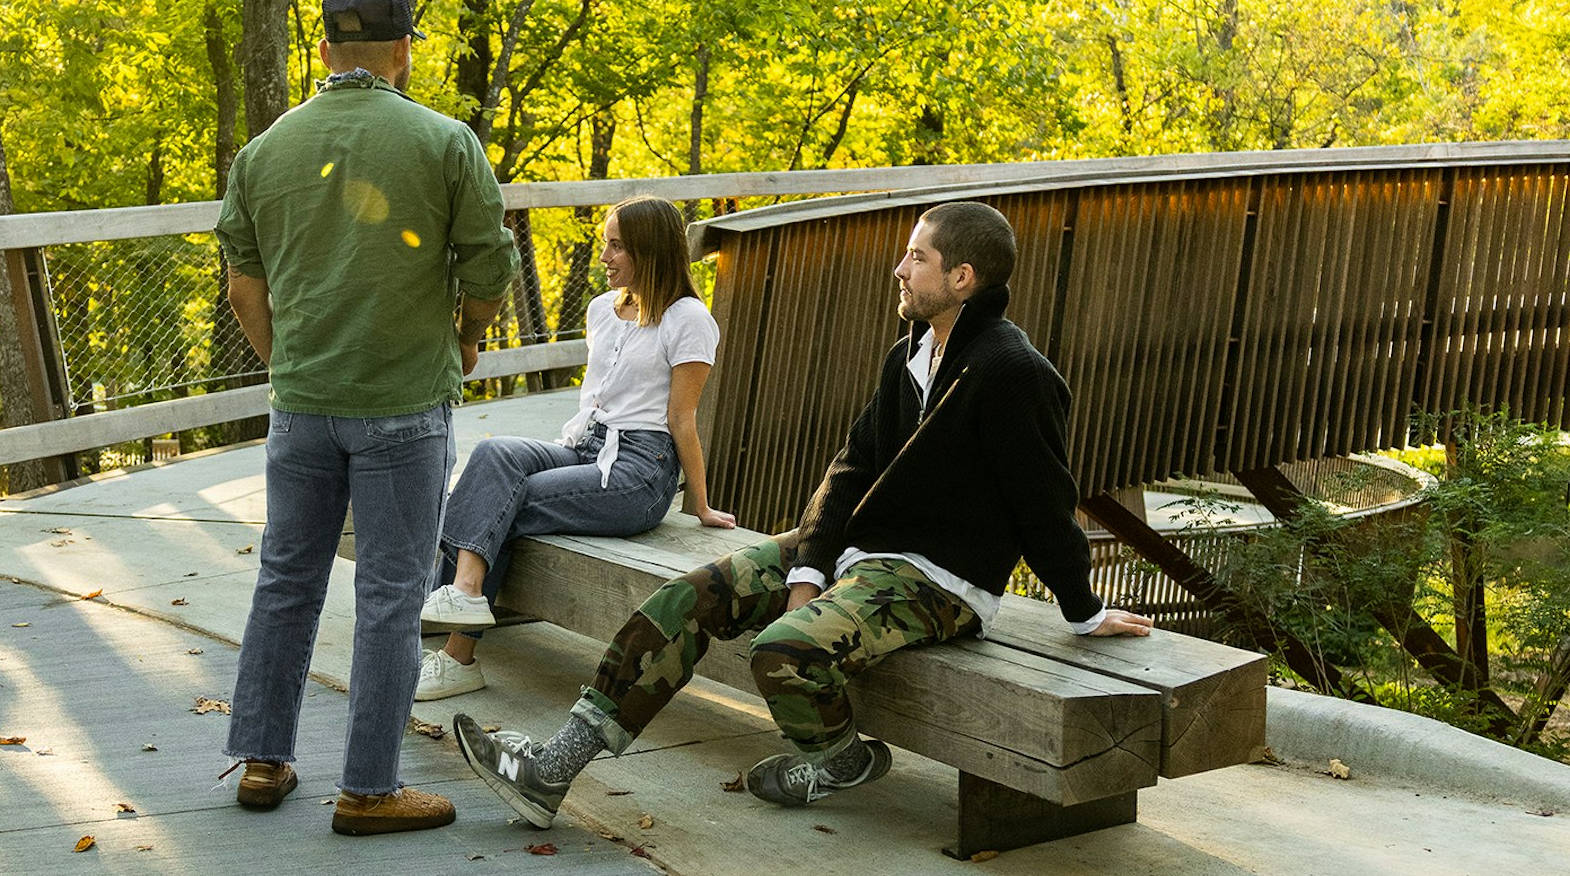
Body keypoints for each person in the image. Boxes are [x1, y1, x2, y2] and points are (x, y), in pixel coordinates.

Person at [452, 197, 1152, 827]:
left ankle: (840, 757)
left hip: (938, 581)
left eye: (918, 256)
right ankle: (552, 771)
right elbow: (850, 467)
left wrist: (1083, 608)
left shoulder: (1013, 372)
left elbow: (1044, 498)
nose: (899, 268)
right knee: (682, 600)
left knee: (783, 650)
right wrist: (812, 564)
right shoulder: (908, 355)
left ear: (962, 278)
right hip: (858, 550)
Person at [216, 0, 516, 834]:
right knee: (389, 593)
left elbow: (244, 286)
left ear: (322, 52)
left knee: (286, 578)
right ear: (402, 50)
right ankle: (369, 789)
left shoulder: (264, 152)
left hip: (302, 403)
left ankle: (263, 760)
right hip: (403, 405)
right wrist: (466, 337)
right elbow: (489, 265)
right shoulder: (444, 142)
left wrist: (290, 367)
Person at [414, 199, 734, 704]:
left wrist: (698, 503)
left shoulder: (688, 318)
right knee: (496, 456)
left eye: (617, 246)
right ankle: (464, 594)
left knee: (513, 499)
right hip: (584, 448)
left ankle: (457, 655)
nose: (604, 257)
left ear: (649, 251)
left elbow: (681, 419)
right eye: (604, 243)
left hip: (638, 472)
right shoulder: (603, 310)